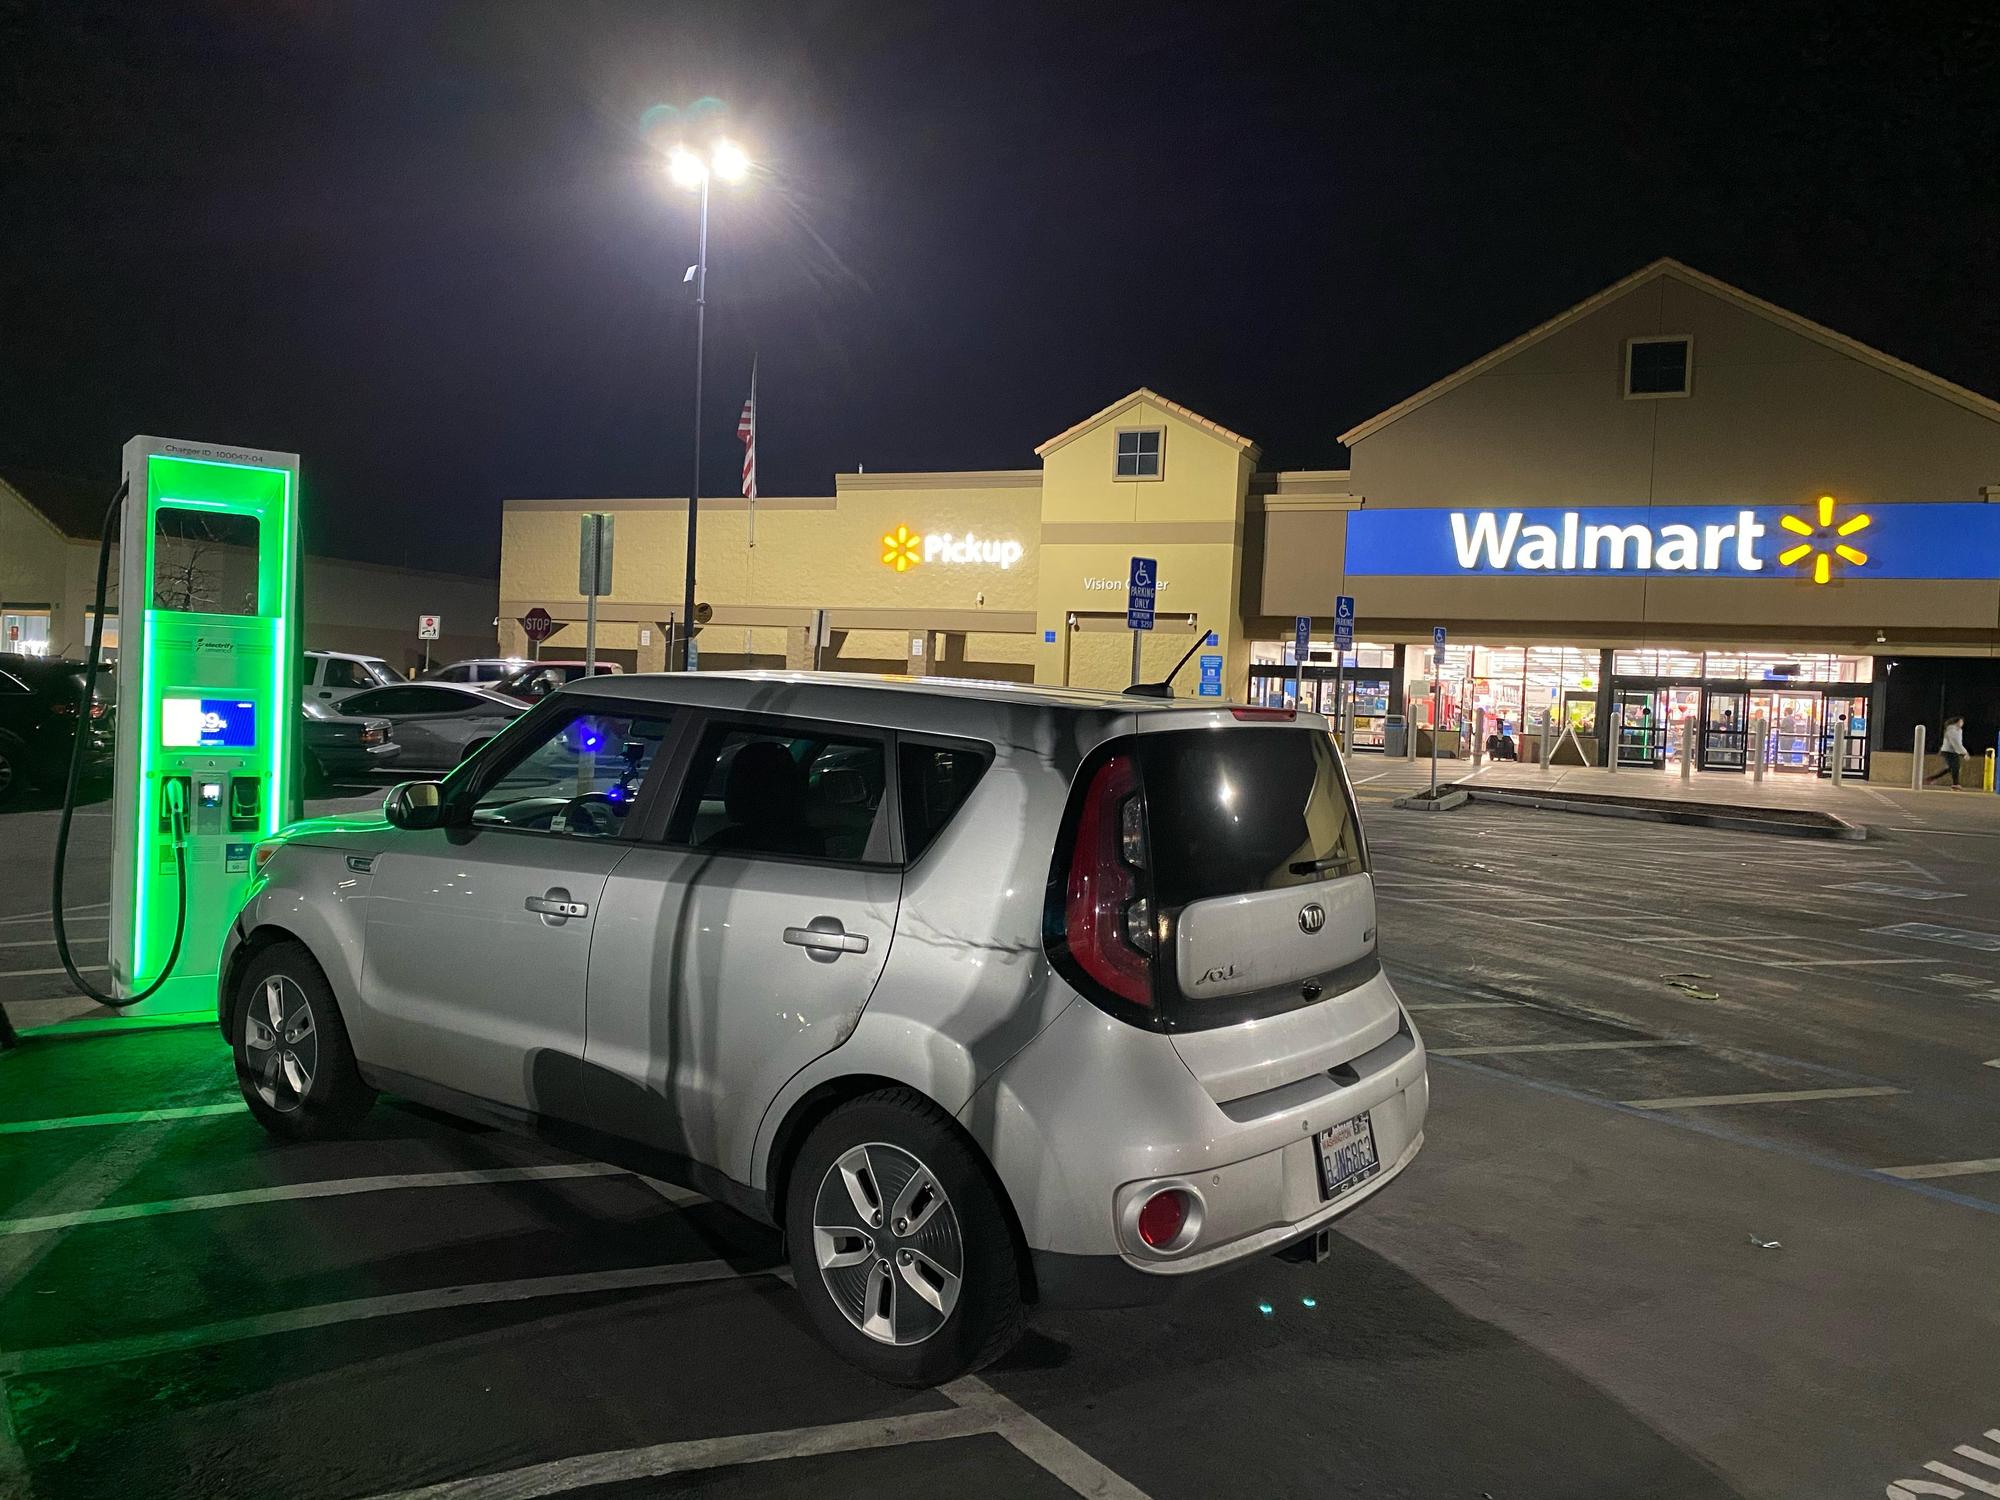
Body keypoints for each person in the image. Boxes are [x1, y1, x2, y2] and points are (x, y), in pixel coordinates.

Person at [1930, 715, 1969, 788]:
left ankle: (1932, 778)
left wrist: (1963, 752)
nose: (1962, 723)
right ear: (1957, 722)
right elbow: (1955, 742)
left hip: (1953, 751)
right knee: (1955, 767)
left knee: (1951, 767)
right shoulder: (1952, 730)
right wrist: (1964, 752)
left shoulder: (1958, 730)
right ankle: (1955, 784)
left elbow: (1958, 743)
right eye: (1961, 721)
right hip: (1948, 751)